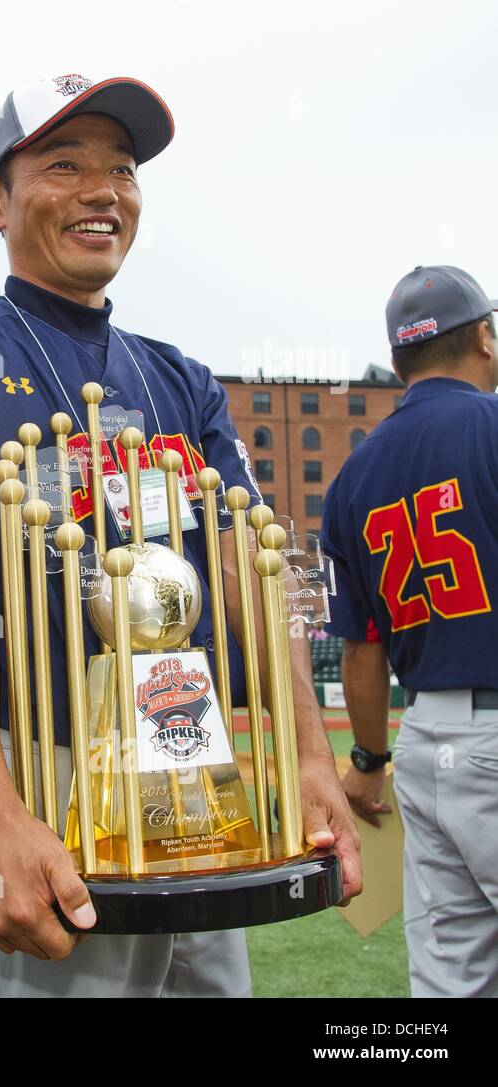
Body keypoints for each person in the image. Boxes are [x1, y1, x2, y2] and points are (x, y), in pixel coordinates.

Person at [0, 71, 361, 997]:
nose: (103, 191)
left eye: (123, 168)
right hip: (45, 771)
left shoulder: (180, 380)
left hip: (196, 762)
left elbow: (245, 564)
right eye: (64, 163)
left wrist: (311, 752)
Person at [323, 266, 498, 998]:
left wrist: (367, 756)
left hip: (426, 744)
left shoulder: (353, 475)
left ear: (399, 362)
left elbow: (363, 649)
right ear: (485, 337)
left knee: (450, 976)